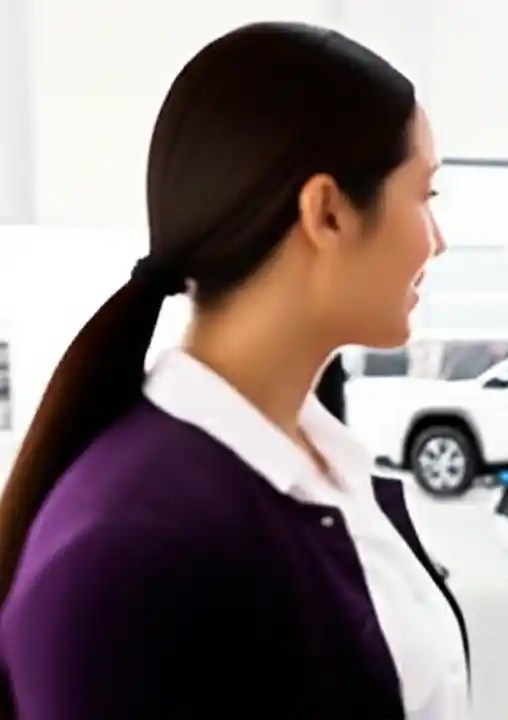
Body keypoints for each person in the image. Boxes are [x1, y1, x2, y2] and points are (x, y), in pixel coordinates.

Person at [0, 22, 465, 719]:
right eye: (425, 195)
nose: (439, 241)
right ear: (328, 213)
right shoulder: (126, 559)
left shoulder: (327, 475)